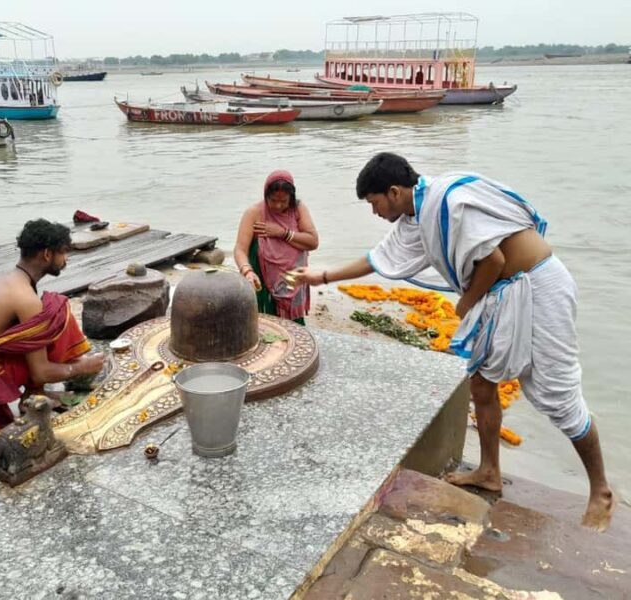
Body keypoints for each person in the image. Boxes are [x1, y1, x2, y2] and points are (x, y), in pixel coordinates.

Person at [295, 152, 615, 531]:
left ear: (394, 192)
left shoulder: (445, 202)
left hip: (538, 286)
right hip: (502, 293)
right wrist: (322, 276)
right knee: (482, 383)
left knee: (559, 395)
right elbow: (379, 257)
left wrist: (465, 304)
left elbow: (493, 260)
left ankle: (600, 489)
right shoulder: (420, 213)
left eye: (374, 202)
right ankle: (490, 471)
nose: (374, 211)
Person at [0, 219, 104, 436]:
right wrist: (80, 368)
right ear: (47, 255)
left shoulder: (4, 280)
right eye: (64, 253)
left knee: (49, 313)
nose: (66, 259)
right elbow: (40, 371)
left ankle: (35, 394)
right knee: (58, 310)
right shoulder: (26, 298)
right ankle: (33, 398)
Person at [234, 170, 319, 324]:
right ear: (265, 195)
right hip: (263, 281)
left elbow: (313, 242)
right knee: (265, 323)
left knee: (292, 326)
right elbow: (240, 249)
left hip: (293, 280)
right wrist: (247, 271)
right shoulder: (254, 213)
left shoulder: (298, 209)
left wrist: (282, 233)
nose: (278, 205)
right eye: (273, 200)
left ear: (291, 198)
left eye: (284, 201)